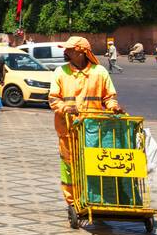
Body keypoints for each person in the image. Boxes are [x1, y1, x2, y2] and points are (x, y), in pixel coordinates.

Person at [47, 36, 122, 218]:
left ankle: (96, 199)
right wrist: (65, 107)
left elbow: (109, 96)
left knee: (94, 165)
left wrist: (114, 107)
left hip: (94, 131)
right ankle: (73, 202)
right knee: (70, 167)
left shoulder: (100, 72)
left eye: (70, 49)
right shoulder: (60, 72)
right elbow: (53, 99)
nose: (65, 52)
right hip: (68, 131)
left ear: (81, 51)